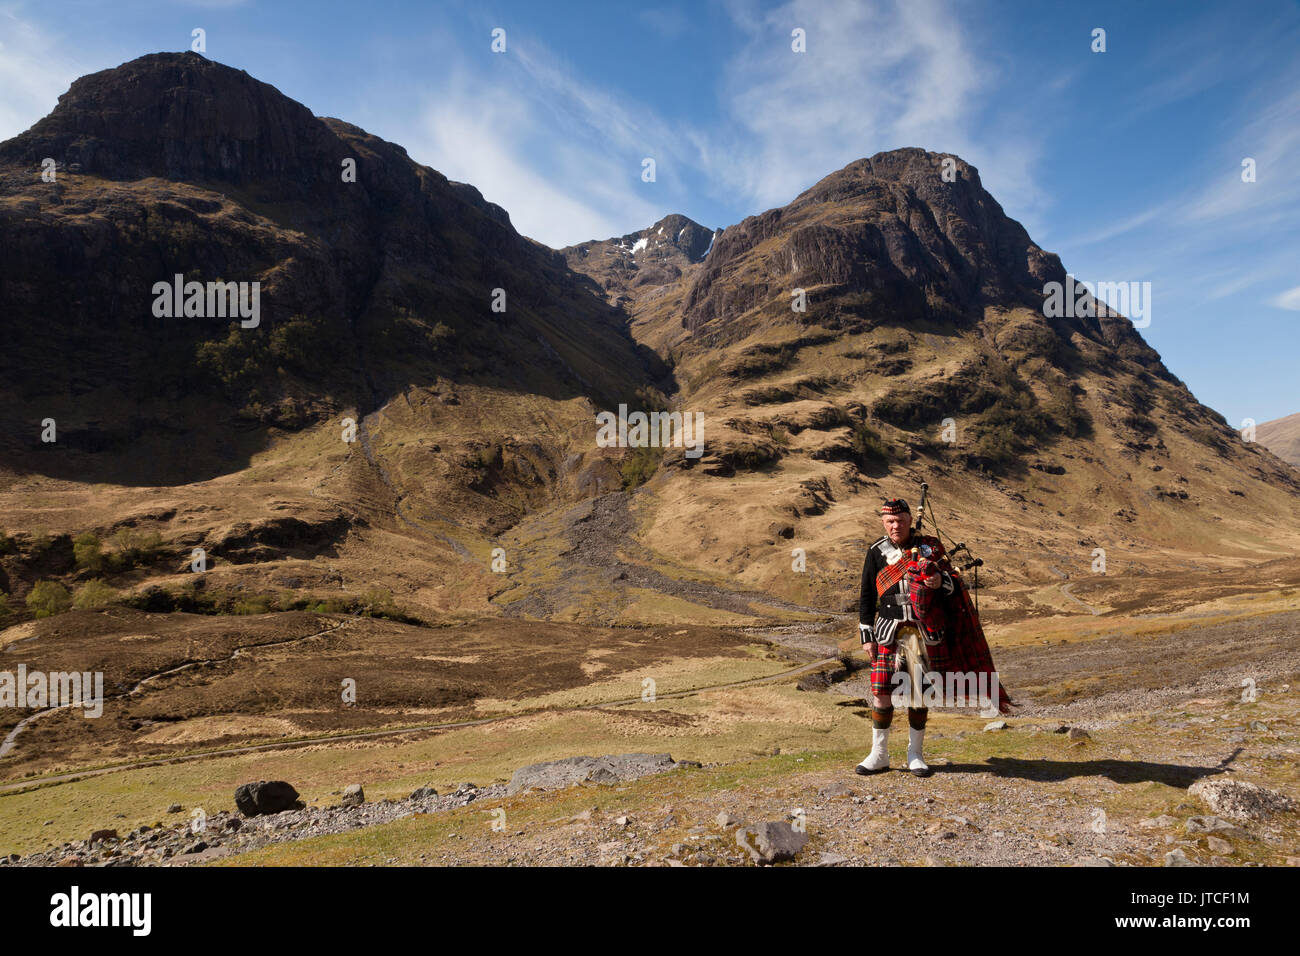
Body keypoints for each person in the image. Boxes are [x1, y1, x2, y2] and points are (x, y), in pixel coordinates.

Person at [855, 498, 951, 777]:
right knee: (881, 691)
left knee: (919, 691)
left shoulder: (929, 548)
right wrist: (866, 634)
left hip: (921, 629)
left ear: (910, 520)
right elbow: (867, 595)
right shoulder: (876, 551)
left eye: (900, 520)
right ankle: (879, 754)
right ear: (884, 524)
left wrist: (939, 582)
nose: (896, 525)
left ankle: (915, 754)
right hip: (887, 629)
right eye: (890, 522)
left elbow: (953, 582)